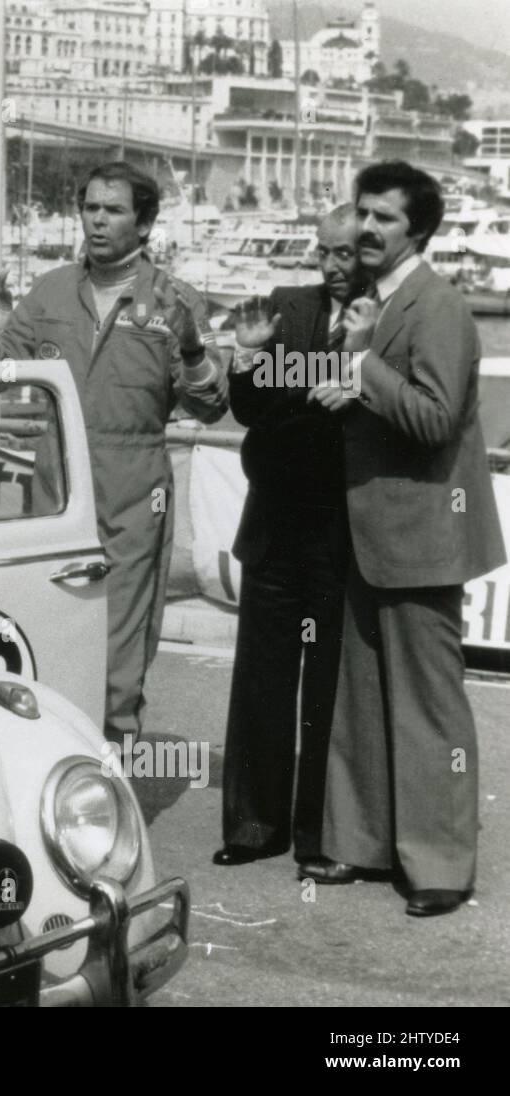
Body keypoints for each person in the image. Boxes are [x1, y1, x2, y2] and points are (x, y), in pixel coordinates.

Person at [0, 161, 228, 745]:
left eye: (114, 210)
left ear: (145, 222)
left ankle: (110, 789)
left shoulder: (176, 300)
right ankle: (51, 779)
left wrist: (187, 345)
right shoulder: (51, 290)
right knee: (46, 634)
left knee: (119, 652)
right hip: (56, 486)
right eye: (90, 208)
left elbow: (210, 406)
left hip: (135, 488)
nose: (97, 221)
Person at [298, 163, 505, 917]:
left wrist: (361, 372)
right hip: (373, 528)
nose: (368, 228)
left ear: (418, 230)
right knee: (361, 698)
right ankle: (362, 843)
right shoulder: (374, 301)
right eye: (363, 213)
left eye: (384, 217)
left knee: (426, 709)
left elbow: (435, 419)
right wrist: (352, 377)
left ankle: (442, 865)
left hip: (422, 533)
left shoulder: (438, 306)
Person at [213, 205, 365, 868]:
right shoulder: (284, 307)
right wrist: (247, 358)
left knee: (330, 691)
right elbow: (249, 408)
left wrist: (295, 390)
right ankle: (256, 824)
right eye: (325, 252)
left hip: (343, 535)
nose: (333, 267)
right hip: (275, 529)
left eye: (348, 255)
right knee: (262, 684)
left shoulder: (384, 318)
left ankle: (319, 835)